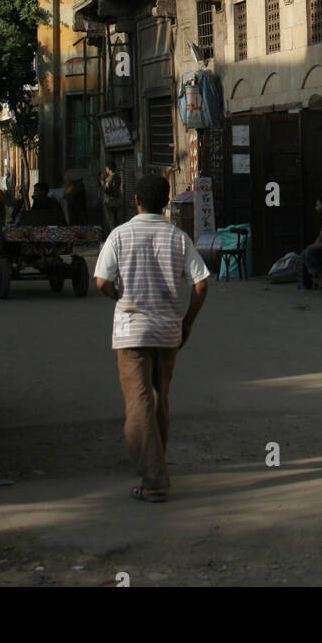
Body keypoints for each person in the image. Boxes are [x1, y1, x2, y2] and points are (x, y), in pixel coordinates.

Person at [94, 173, 209, 502]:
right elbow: (201, 284)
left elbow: (101, 281)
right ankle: (155, 464)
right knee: (159, 399)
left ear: (136, 201)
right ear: (165, 202)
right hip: (168, 331)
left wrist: (119, 294)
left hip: (132, 331)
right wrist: (188, 321)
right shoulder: (177, 237)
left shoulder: (120, 235)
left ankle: (155, 479)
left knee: (138, 404)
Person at [100, 163, 122, 236]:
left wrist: (102, 183)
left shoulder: (110, 178)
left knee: (110, 221)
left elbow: (107, 190)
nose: (106, 170)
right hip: (116, 201)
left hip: (109, 202)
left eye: (106, 168)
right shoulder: (118, 177)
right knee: (116, 220)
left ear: (109, 169)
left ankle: (113, 237)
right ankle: (117, 235)